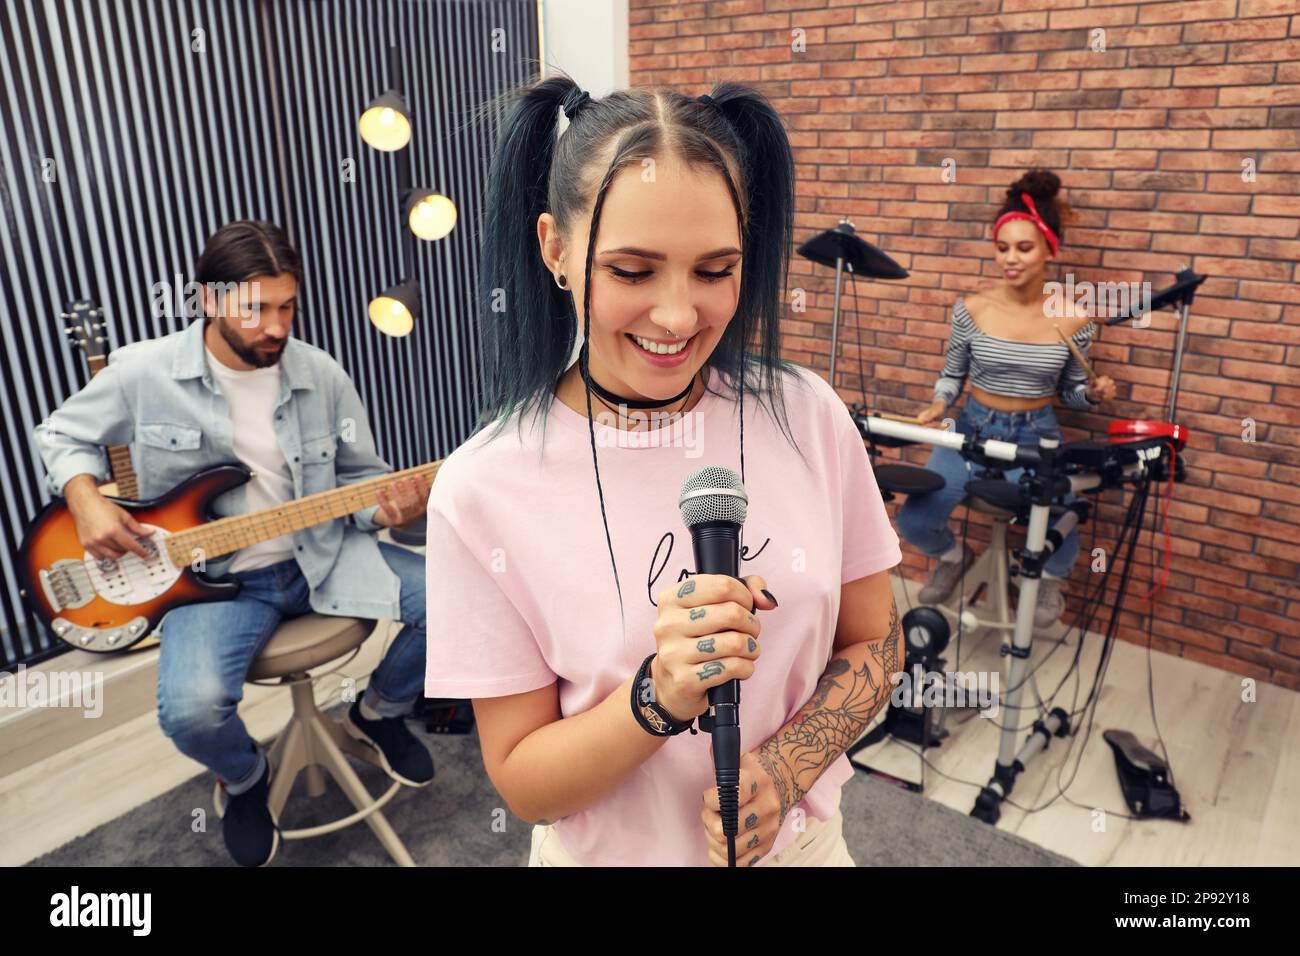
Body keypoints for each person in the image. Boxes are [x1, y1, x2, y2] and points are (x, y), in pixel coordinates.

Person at [422, 76, 904, 867]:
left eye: (715, 271)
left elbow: (877, 644)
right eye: (633, 272)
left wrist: (785, 769)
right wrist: (656, 698)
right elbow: (524, 784)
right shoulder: (482, 490)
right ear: (555, 250)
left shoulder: (808, 415)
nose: (679, 317)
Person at [33, 221, 433, 867]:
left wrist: (393, 503)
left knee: (454, 600)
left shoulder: (321, 373)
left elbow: (362, 476)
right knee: (190, 713)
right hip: (209, 583)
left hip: (320, 557)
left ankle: (379, 711)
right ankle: (244, 777)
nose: (275, 327)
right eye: (256, 309)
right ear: (209, 301)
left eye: (287, 307)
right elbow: (59, 435)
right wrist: (85, 500)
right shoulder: (143, 371)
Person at [899, 169, 1118, 627]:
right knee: (916, 520)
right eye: (1002, 248)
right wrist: (940, 403)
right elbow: (952, 375)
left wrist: (1092, 395)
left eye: (1024, 247)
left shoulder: (1074, 320)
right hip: (971, 428)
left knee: (1061, 521)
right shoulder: (972, 310)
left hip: (1036, 435)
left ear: (1048, 251)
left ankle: (1048, 580)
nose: (1010, 259)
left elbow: (1072, 395)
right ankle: (954, 557)